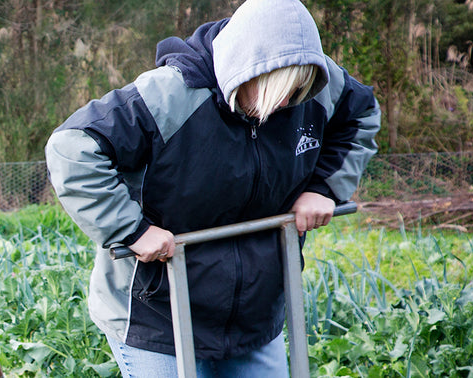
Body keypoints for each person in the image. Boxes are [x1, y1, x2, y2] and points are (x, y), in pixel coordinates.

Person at [45, 0, 379, 376]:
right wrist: (131, 230)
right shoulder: (169, 95)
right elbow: (72, 147)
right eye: (276, 90)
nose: (286, 102)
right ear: (245, 71)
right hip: (157, 310)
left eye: (296, 91)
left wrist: (324, 187)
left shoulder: (313, 82)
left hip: (255, 313)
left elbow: (361, 114)